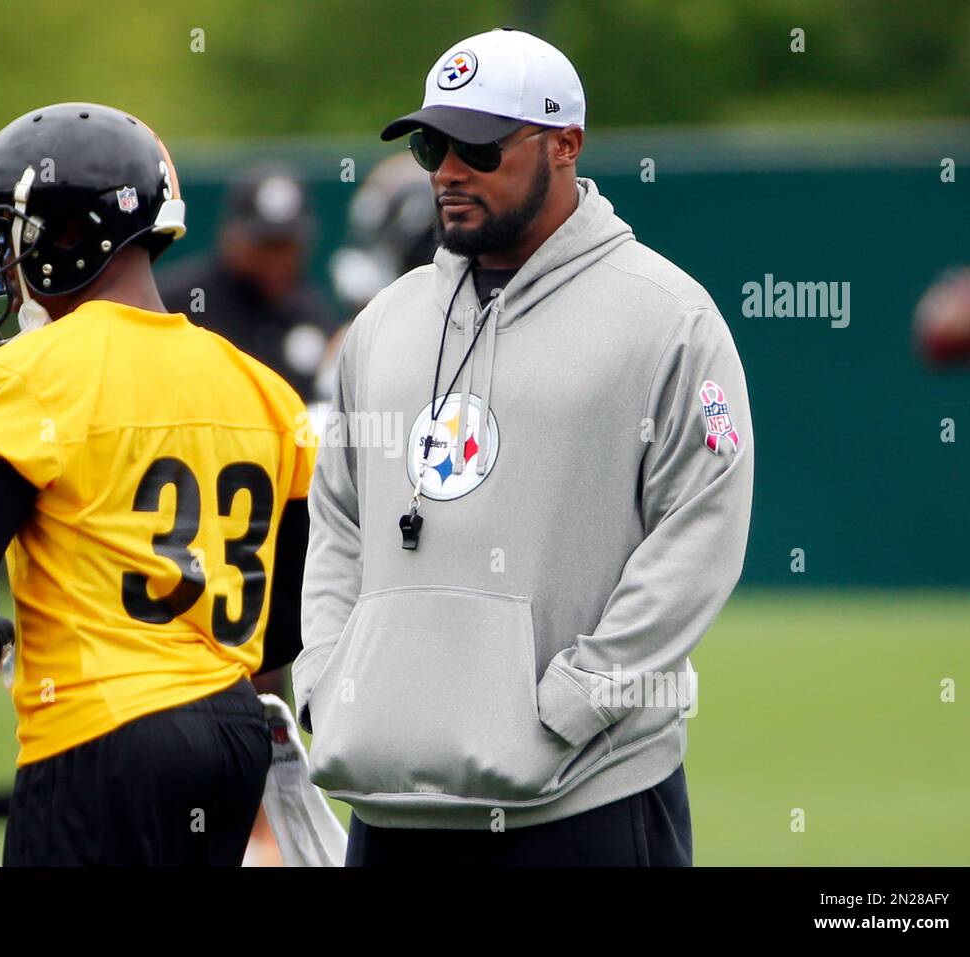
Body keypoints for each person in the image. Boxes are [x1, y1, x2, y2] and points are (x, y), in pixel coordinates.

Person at [292, 28, 754, 866]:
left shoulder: (667, 316)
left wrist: (571, 704)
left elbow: (700, 533)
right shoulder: (384, 324)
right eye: (433, 144)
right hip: (393, 810)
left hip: (587, 800)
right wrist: (328, 683)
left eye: (478, 145)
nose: (446, 170)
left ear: (565, 144)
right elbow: (339, 525)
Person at [0, 102, 314, 866]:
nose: (1, 263)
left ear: (70, 236)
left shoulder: (36, 372)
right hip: (233, 739)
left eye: (12, 235)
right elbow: (281, 626)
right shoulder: (264, 390)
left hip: (102, 734)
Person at [158, 165, 340, 401]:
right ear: (232, 235)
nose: (276, 259)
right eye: (264, 244)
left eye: (286, 244)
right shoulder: (180, 300)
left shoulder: (311, 311)